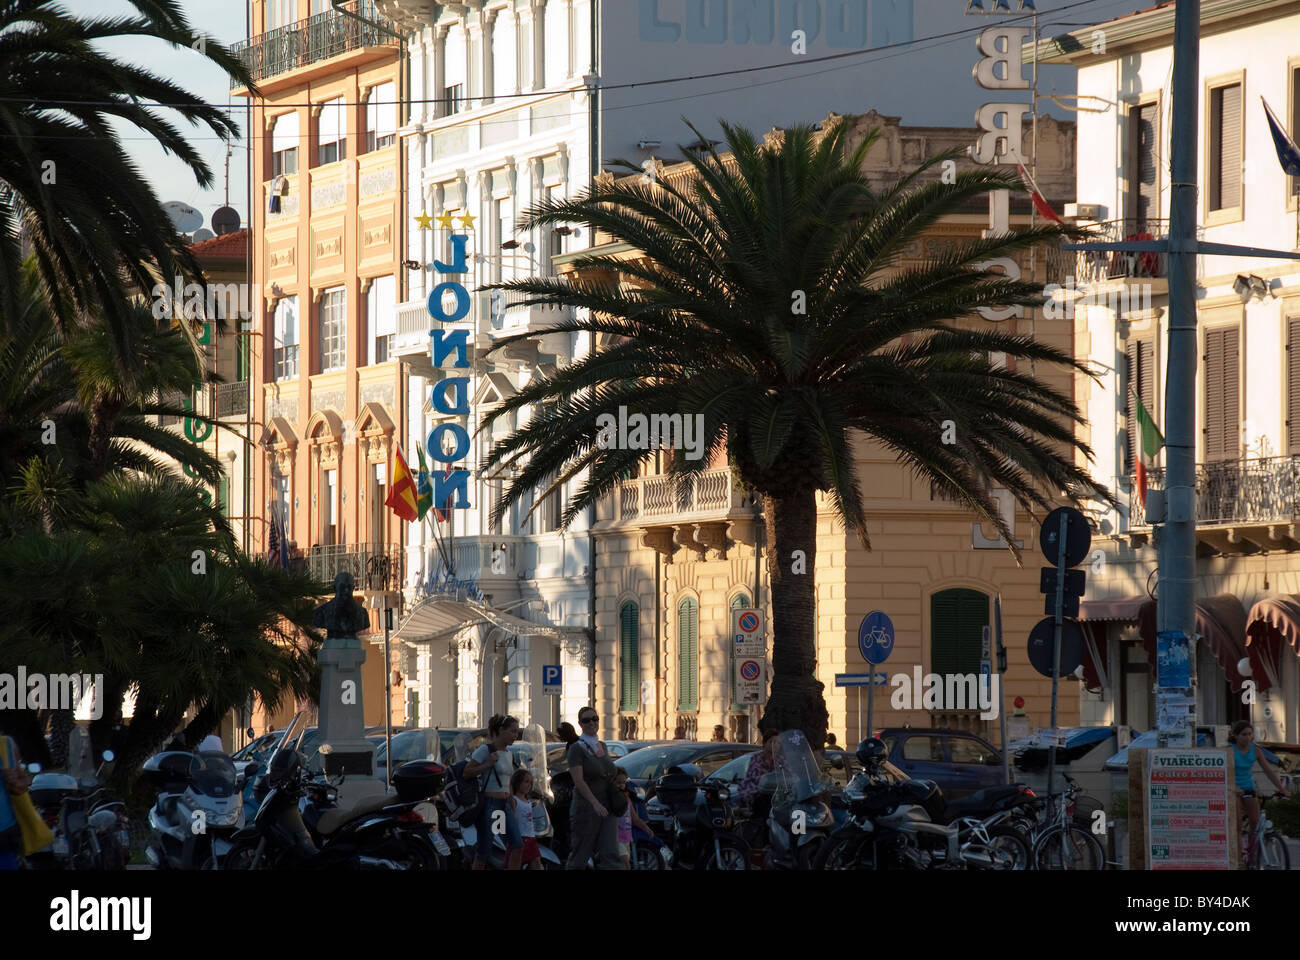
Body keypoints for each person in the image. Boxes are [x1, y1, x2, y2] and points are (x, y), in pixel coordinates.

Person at [565, 707, 622, 869]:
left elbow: (610, 773)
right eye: (586, 720)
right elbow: (579, 781)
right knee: (580, 854)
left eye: (594, 719)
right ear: (580, 724)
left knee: (611, 853)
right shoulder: (576, 748)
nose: (591, 723)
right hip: (586, 808)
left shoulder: (602, 746)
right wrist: (595, 803)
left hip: (608, 806)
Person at [464, 714, 523, 870]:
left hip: (505, 804)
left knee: (517, 845)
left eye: (517, 732)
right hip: (491, 804)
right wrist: (488, 764)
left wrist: (512, 805)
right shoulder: (486, 749)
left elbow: (508, 782)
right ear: (501, 730)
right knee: (485, 850)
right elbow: (467, 772)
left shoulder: (509, 754)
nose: (515, 736)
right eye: (512, 731)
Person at [1230, 720, 1289, 865]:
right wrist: (1233, 788)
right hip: (1234, 789)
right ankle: (1237, 860)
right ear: (1235, 736)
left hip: (1249, 787)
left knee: (1255, 824)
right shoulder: (1230, 750)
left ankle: (1252, 856)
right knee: (1236, 825)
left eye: (1250, 734)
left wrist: (1281, 789)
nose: (1247, 737)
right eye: (1244, 734)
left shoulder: (1256, 751)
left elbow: (1268, 771)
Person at [612, 768, 653, 868]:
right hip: (615, 837)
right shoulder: (611, 799)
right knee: (626, 863)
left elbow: (635, 819)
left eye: (624, 782)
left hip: (626, 837)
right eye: (618, 783)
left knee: (622, 864)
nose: (622, 785)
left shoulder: (627, 799)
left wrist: (646, 829)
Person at [0, 735, 28, 871]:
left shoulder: (6, 744)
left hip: (4, 833)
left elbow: (22, 784)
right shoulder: (6, 744)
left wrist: (15, 781)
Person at [737, 728, 780, 806]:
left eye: (777, 743)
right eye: (771, 742)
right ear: (765, 743)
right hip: (755, 795)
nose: (775, 745)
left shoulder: (780, 760)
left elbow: (789, 775)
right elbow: (757, 779)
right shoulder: (756, 759)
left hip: (776, 797)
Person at [510, 768, 543, 870]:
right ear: (517, 782)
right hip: (520, 839)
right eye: (526, 781)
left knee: (536, 863)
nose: (528, 785)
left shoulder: (528, 801)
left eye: (530, 782)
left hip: (531, 838)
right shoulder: (514, 800)